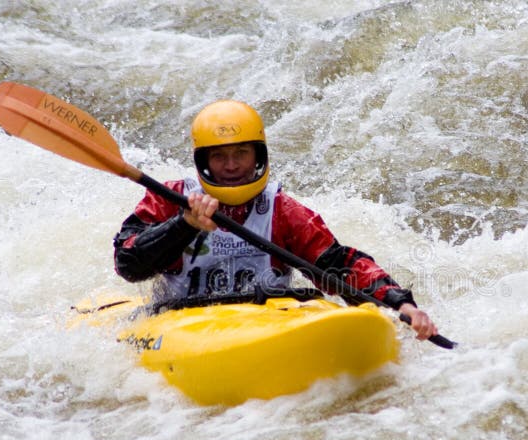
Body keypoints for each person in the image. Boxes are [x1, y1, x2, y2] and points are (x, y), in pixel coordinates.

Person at [113, 100, 438, 340]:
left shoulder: (281, 209)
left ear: (258, 155)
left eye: (241, 153)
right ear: (204, 161)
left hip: (268, 323)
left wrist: (401, 304)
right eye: (220, 156)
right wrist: (184, 225)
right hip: (183, 324)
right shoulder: (171, 199)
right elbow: (128, 263)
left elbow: (340, 265)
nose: (231, 165)